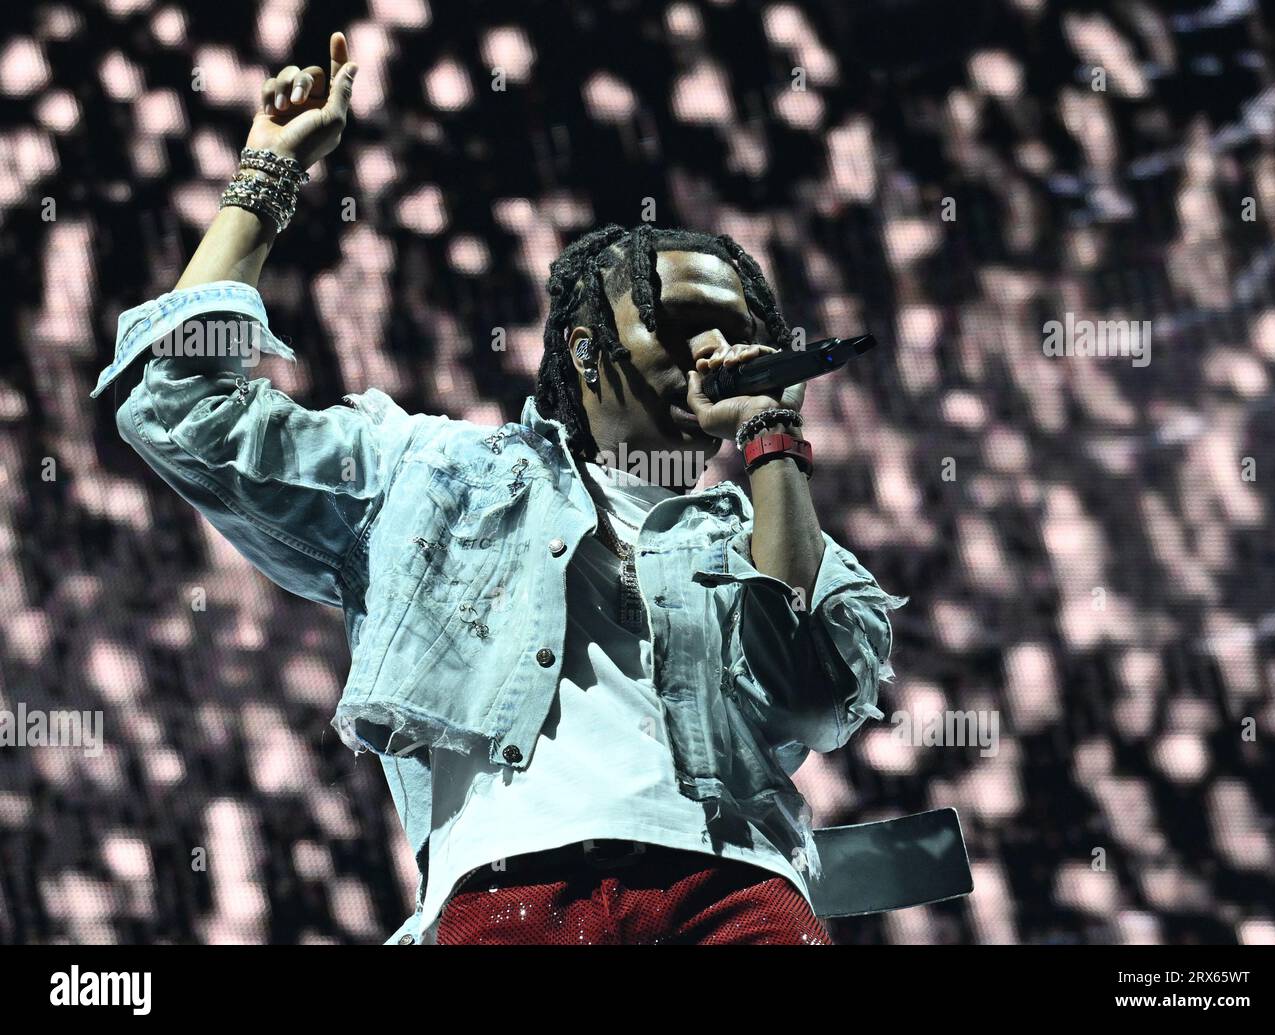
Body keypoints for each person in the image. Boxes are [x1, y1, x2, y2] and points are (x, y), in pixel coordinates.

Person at [91, 32, 905, 945]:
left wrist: (774, 440)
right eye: (684, 327)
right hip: (515, 894)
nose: (718, 354)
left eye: (738, 331)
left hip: (734, 893)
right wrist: (267, 177)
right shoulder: (432, 473)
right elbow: (183, 413)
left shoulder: (771, 534)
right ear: (588, 352)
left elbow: (808, 698)